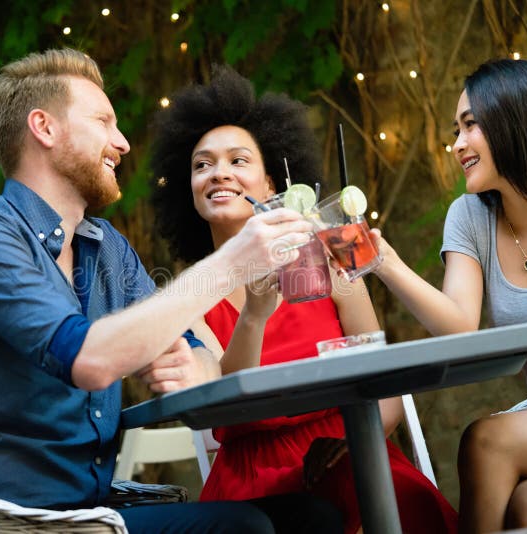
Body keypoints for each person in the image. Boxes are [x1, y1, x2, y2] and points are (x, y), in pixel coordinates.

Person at [0, 48, 346, 534]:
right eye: (103, 121)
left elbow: (203, 355)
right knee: (245, 528)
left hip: (88, 512)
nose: (121, 143)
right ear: (44, 127)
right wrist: (230, 264)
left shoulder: (108, 250)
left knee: (314, 518)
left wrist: (194, 362)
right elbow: (88, 360)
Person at [150, 65, 458, 534]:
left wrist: (355, 445)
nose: (218, 174)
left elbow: (387, 391)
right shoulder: (190, 292)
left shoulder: (326, 256)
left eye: (238, 161)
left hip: (350, 451)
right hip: (253, 479)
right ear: (190, 190)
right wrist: (253, 315)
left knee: (402, 501)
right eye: (202, 164)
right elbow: (223, 404)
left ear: (272, 185)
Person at [367, 58, 527, 532]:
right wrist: (385, 262)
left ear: (518, 123)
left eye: (470, 125)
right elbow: (459, 324)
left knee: (485, 438)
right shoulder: (472, 216)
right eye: (455, 130)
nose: (457, 144)